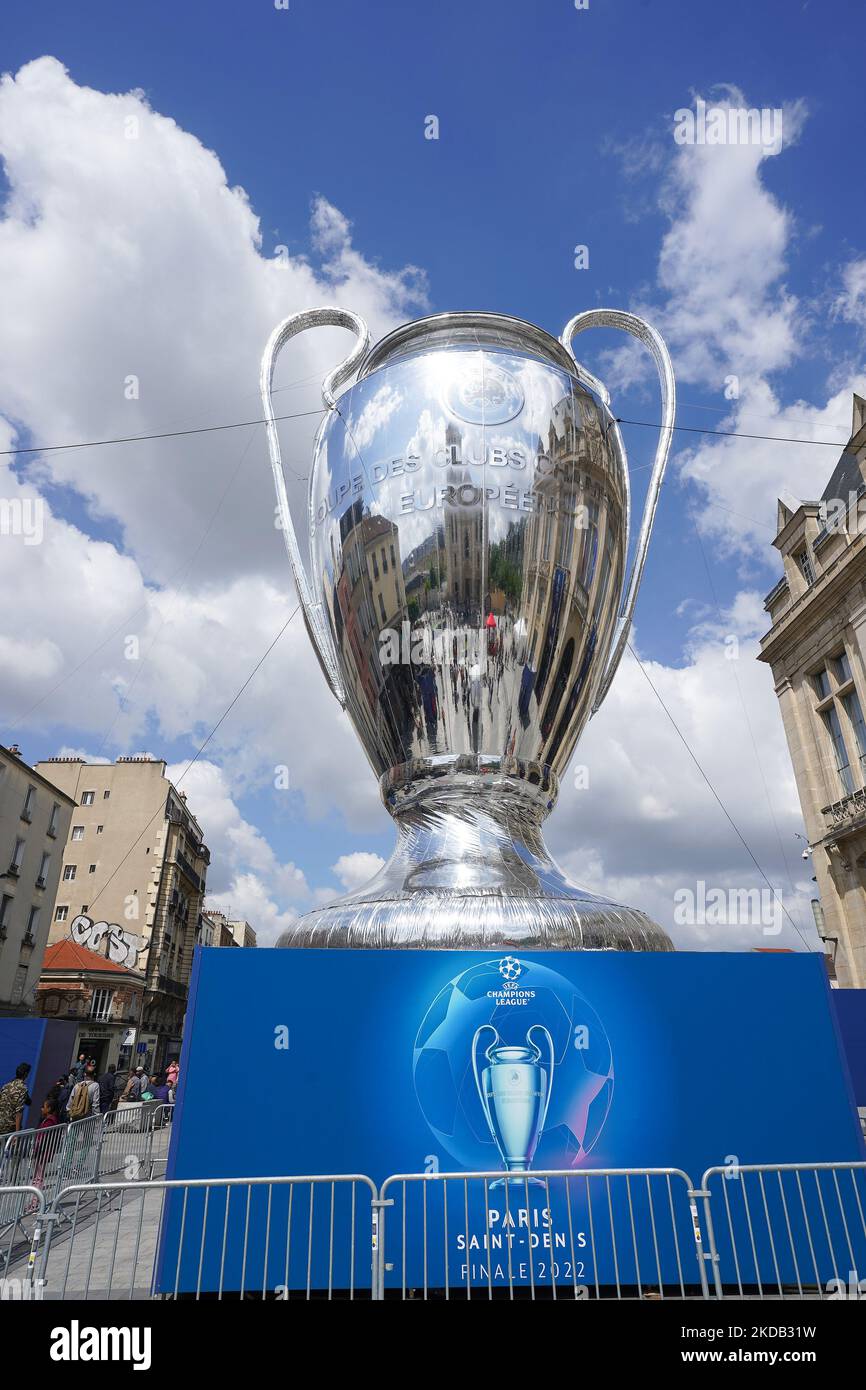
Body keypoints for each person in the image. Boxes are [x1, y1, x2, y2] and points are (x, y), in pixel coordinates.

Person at [0, 1063, 32, 1135]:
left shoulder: (6, 1086)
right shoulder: (22, 1088)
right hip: (9, 1128)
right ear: (26, 1074)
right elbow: (19, 1112)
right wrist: (17, 1134)